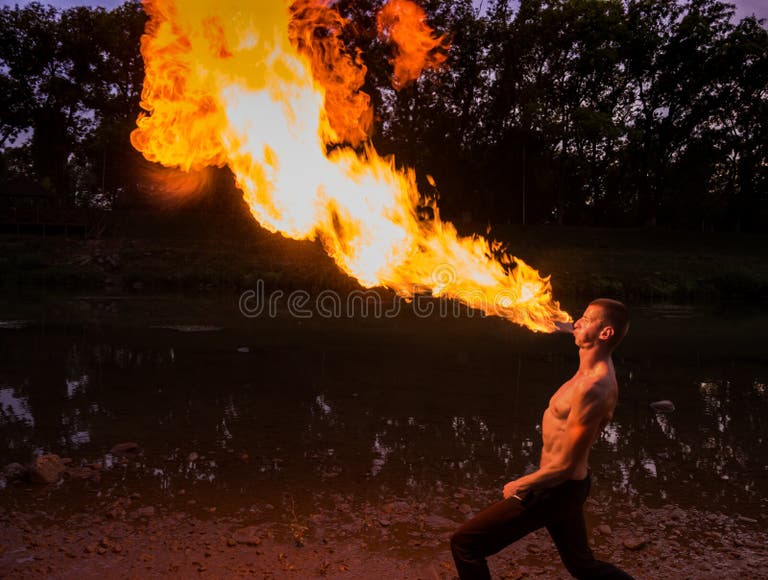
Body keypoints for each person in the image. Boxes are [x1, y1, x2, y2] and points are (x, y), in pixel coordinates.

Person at [451, 298, 634, 579]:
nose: (578, 321)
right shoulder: (586, 374)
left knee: (466, 544)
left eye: (587, 318)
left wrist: (522, 483)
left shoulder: (594, 386)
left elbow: (564, 467)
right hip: (568, 486)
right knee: (582, 566)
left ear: (605, 333)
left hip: (557, 488)